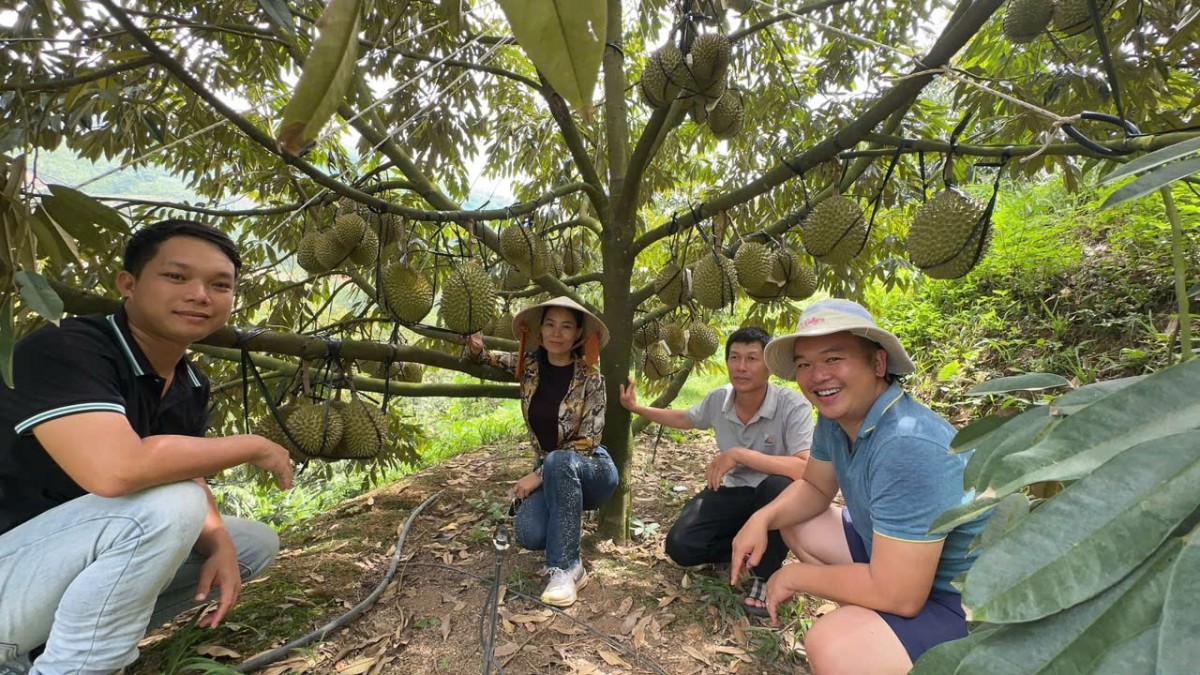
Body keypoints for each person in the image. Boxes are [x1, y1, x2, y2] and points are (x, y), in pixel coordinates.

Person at [0, 220, 294, 675]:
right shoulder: (66, 348)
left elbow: (184, 474)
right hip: (12, 563)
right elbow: (117, 471)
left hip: (49, 564)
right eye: (176, 276)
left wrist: (218, 540)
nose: (200, 295)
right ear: (128, 284)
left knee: (247, 545)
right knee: (172, 503)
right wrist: (252, 445)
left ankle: (41, 650)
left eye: (220, 285)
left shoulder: (190, 383)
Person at [731, 299, 991, 673]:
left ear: (879, 364)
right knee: (798, 522)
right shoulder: (835, 419)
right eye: (804, 364)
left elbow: (900, 595)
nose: (817, 376)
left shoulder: (907, 443)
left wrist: (794, 575)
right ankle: (875, 629)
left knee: (833, 645)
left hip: (970, 604)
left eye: (833, 359)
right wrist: (762, 518)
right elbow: (815, 488)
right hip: (901, 566)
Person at [619, 326, 813, 616]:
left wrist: (739, 454)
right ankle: (741, 549)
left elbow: (804, 467)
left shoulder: (792, 405)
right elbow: (685, 418)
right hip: (733, 489)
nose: (741, 367)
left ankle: (765, 574)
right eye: (734, 357)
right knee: (680, 546)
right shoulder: (718, 399)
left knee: (780, 485)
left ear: (769, 366)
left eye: (752, 359)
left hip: (772, 494)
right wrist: (637, 409)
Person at [464, 297, 617, 608]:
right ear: (540, 330)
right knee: (529, 534)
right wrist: (476, 349)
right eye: (550, 325)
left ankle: (566, 569)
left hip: (592, 469)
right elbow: (489, 359)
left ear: (578, 334)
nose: (556, 333)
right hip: (551, 471)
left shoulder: (591, 378)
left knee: (558, 461)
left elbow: (588, 440)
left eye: (566, 327)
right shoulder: (529, 366)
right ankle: (566, 519)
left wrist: (538, 475)